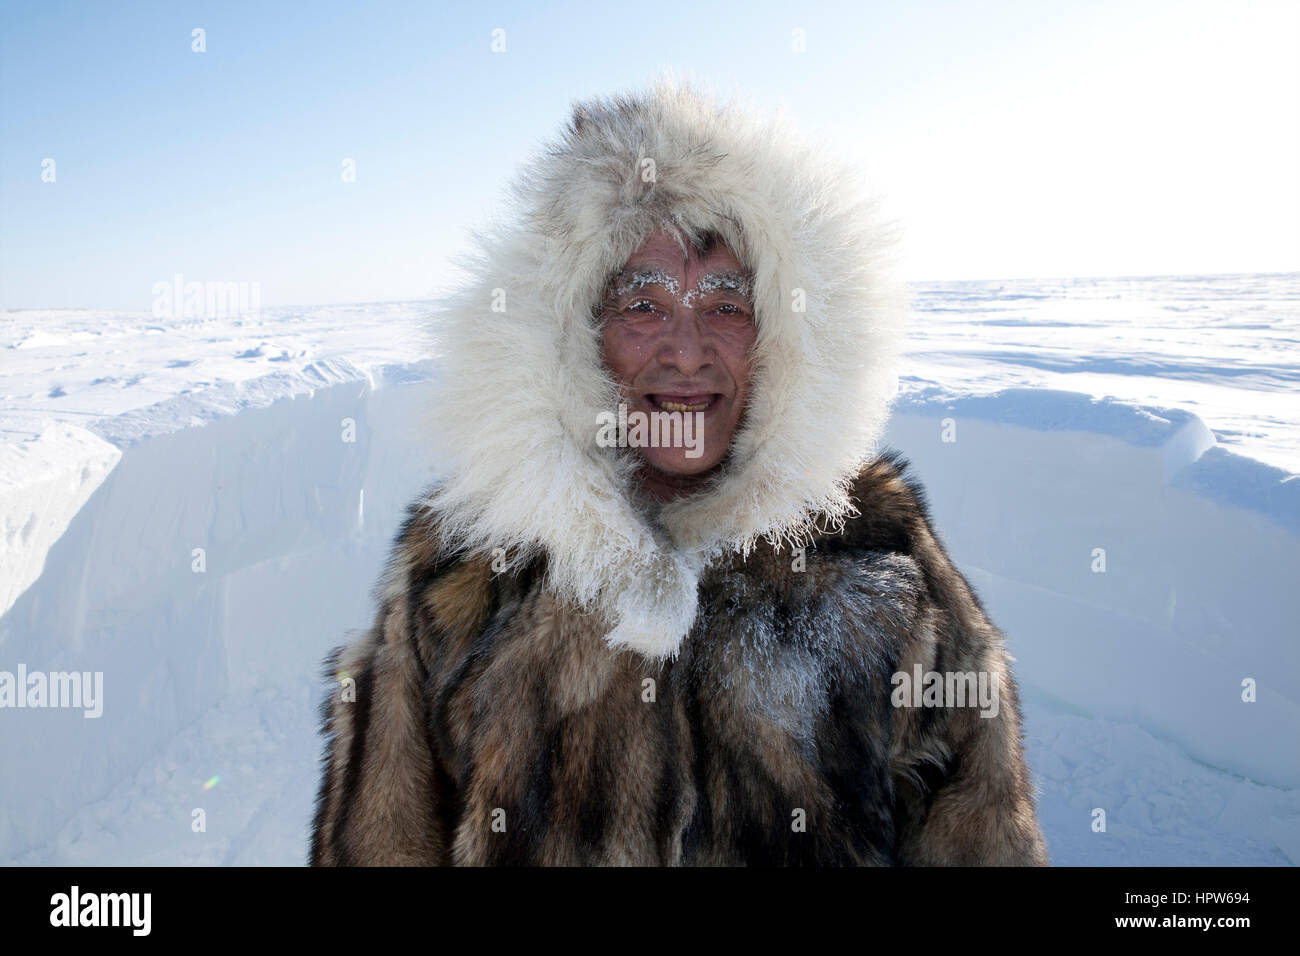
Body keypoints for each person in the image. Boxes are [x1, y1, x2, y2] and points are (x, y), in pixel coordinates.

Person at [309, 80, 1049, 866]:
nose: (688, 351)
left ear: (782, 338)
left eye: (727, 307)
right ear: (572, 335)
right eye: (643, 305)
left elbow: (981, 831)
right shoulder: (465, 569)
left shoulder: (876, 551)